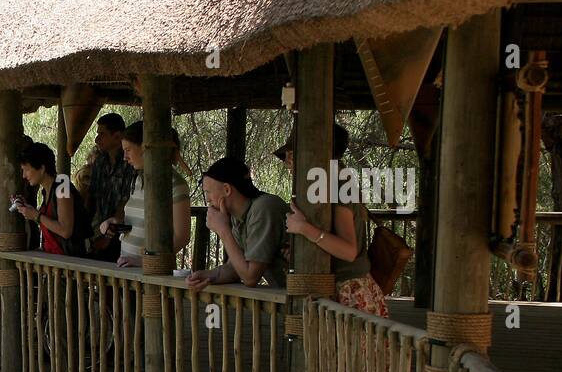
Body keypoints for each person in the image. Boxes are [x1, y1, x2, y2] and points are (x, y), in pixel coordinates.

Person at [279, 124, 389, 317]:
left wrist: (303, 228)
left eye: (292, 153)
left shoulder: (338, 183)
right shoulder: (329, 182)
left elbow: (348, 251)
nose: (287, 161)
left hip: (350, 294)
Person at [186, 157, 289, 290]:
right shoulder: (239, 217)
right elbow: (234, 268)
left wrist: (224, 230)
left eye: (208, 192)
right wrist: (205, 276)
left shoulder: (264, 208)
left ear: (227, 189)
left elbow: (250, 277)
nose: (207, 200)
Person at [99, 121, 192, 269]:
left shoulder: (175, 184)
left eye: (128, 150)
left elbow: (181, 237)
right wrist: (114, 222)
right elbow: (138, 222)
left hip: (153, 274)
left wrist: (145, 261)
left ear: (145, 148)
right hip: (128, 270)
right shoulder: (138, 180)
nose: (125, 157)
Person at [14, 142, 86, 257]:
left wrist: (36, 216)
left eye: (26, 169)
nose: (24, 175)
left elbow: (65, 231)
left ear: (42, 168)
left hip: (68, 263)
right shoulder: (46, 191)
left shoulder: (63, 185)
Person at [83, 113, 136, 262]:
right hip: (99, 228)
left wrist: (108, 236)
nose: (97, 139)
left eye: (102, 134)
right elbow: (92, 196)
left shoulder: (130, 163)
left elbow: (126, 200)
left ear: (117, 136)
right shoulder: (100, 161)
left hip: (123, 232)